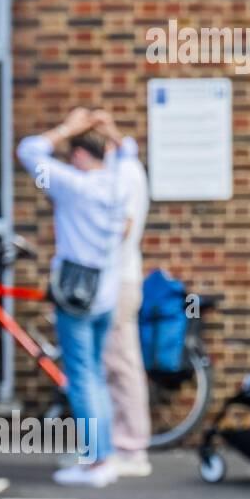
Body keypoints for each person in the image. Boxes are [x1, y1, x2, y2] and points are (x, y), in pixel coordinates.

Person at [16, 109, 136, 487]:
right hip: (106, 294)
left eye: (73, 154)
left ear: (80, 156)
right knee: (95, 376)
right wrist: (107, 128)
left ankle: (95, 461)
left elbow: (29, 152)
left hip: (75, 295)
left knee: (81, 379)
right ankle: (104, 455)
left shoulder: (74, 186)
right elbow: (127, 151)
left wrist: (69, 126)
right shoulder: (120, 181)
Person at [103, 145, 152, 478]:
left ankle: (131, 448)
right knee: (116, 364)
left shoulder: (125, 173)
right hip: (120, 281)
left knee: (121, 364)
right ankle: (116, 445)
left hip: (117, 281)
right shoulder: (127, 171)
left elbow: (123, 226)